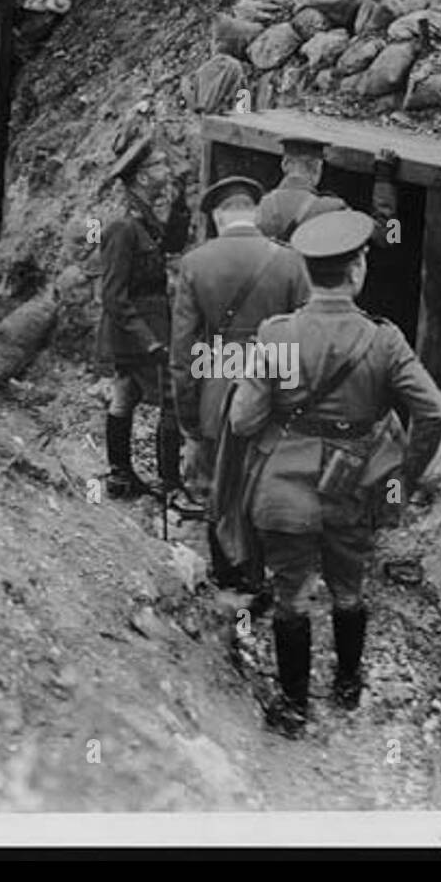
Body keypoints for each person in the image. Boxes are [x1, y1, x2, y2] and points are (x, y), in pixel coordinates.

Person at [229, 209, 441, 738]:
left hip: (283, 488)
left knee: (291, 597)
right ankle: (348, 687)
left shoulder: (277, 334)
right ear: (356, 270)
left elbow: (242, 420)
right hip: (355, 486)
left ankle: (294, 706)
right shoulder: (384, 340)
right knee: (349, 591)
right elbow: (435, 412)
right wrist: (404, 475)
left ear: (309, 273)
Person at [171, 176, 311, 591]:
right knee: (266, 478)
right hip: (276, 382)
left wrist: (188, 414)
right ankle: (266, 575)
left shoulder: (195, 264)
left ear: (217, 217)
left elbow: (183, 353)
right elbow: (307, 337)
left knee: (220, 481)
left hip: (218, 381)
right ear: (254, 214)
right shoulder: (290, 261)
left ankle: (229, 576)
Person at [96, 136, 190, 500]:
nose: (166, 171)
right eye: (160, 166)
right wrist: (148, 340)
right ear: (142, 177)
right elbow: (112, 296)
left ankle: (120, 475)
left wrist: (180, 201)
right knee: (173, 400)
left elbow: (172, 245)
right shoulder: (122, 229)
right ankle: (170, 485)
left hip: (140, 331)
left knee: (125, 396)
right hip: (138, 334)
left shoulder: (143, 220)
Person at [255, 137, 401, 248]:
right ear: (318, 167)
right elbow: (388, 236)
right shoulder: (332, 209)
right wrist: (384, 177)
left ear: (284, 163)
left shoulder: (257, 207)